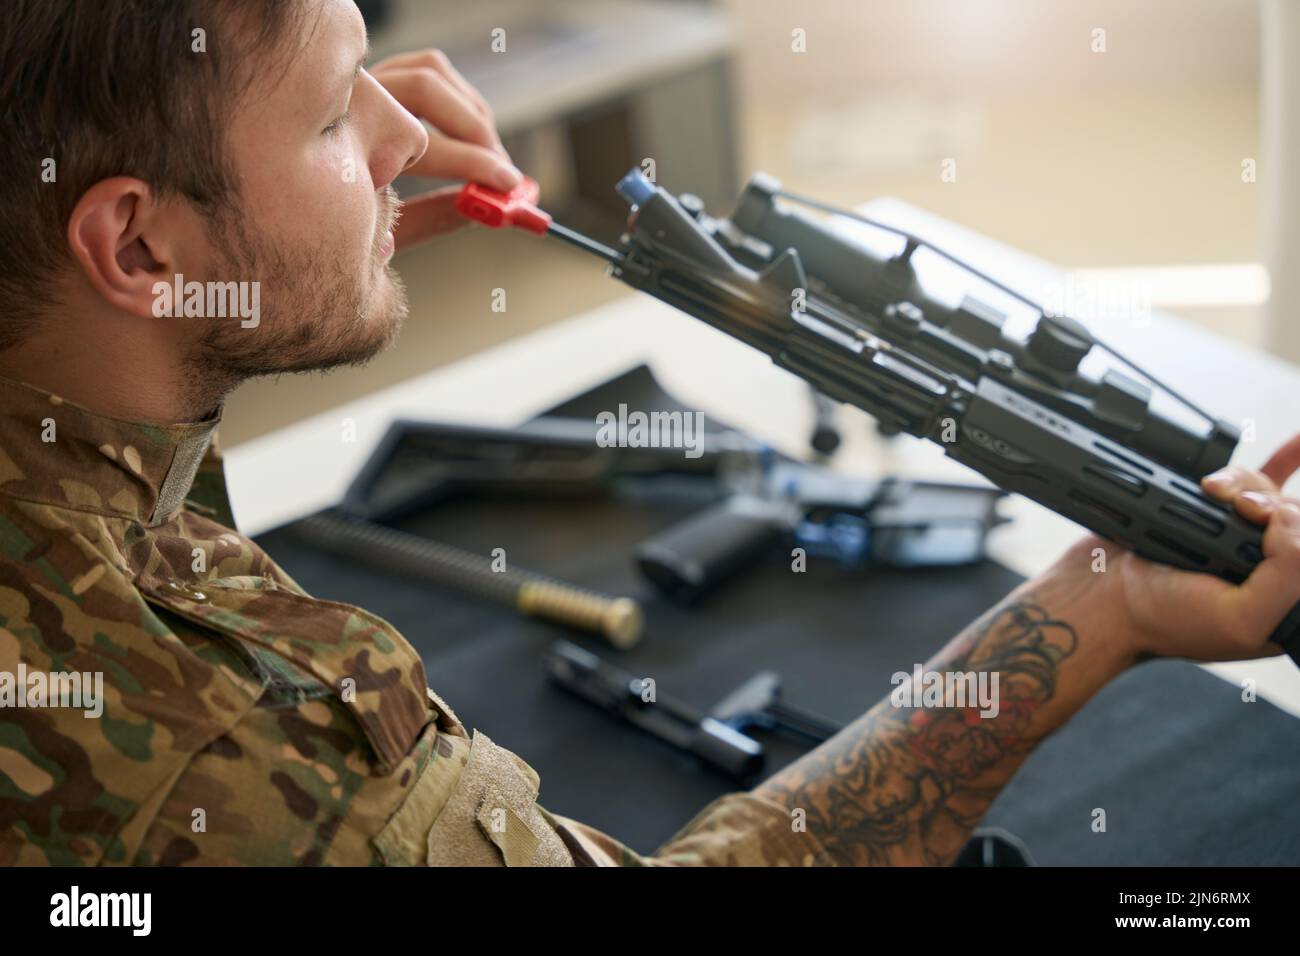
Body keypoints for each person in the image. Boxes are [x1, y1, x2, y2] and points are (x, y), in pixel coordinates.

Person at [2, 0, 1298, 867]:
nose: (404, 123)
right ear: (135, 241)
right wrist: (1105, 607)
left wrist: (280, 247)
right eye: (341, 115)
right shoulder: (227, 761)